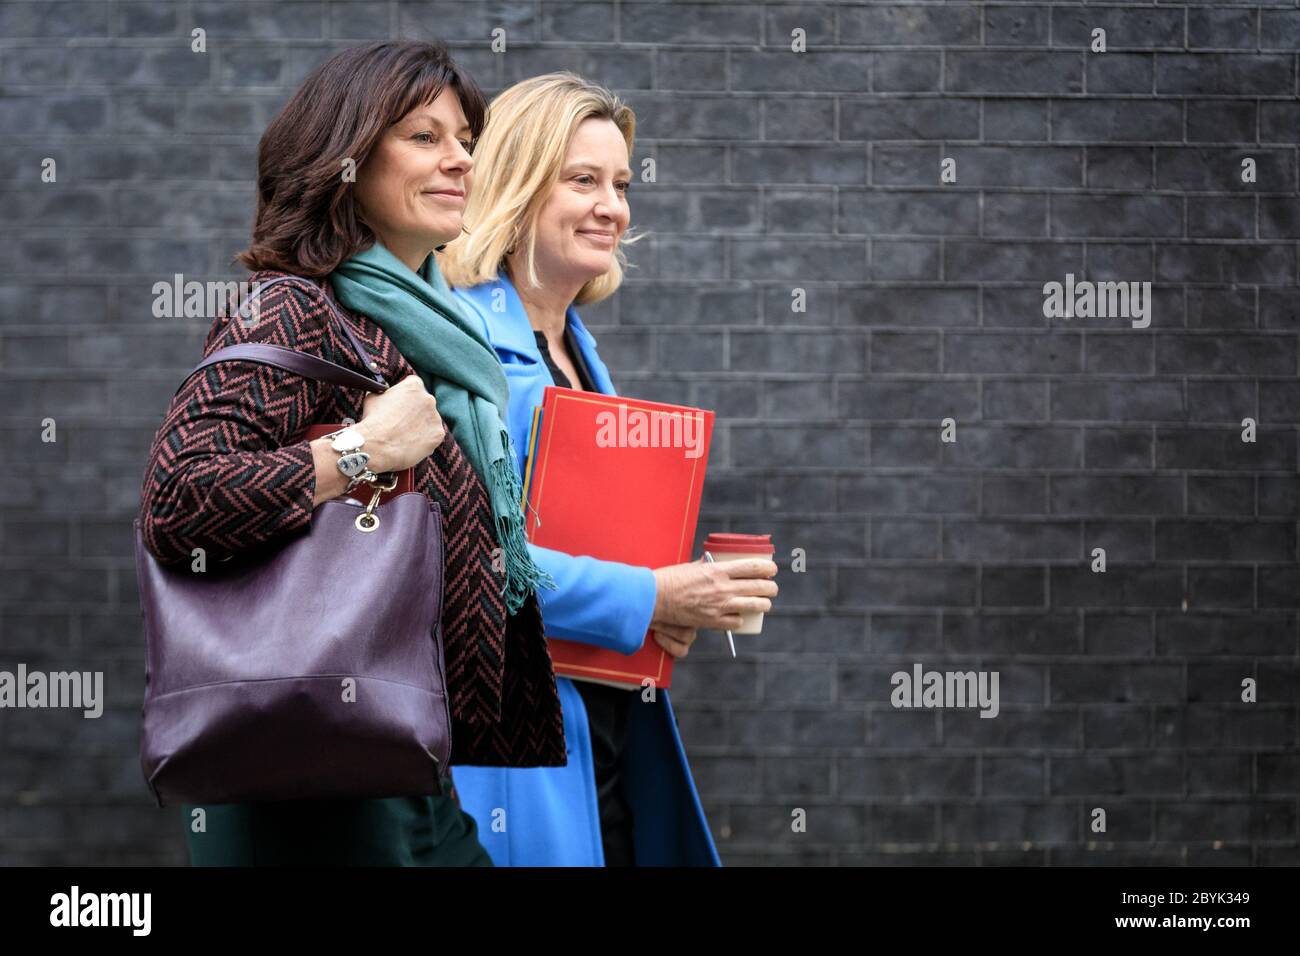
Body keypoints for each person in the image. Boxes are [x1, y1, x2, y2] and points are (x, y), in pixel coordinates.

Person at [137, 40, 565, 866]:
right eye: (425, 137)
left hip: (404, 755)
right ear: (344, 159)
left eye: (466, 140)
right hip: (309, 766)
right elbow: (179, 499)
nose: (461, 160)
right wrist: (362, 450)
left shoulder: (432, 330)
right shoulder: (289, 308)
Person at [440, 72, 779, 866]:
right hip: (521, 737)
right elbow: (471, 563)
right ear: (517, 186)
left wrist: (667, 610)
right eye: (583, 180)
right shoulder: (460, 341)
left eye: (621, 184)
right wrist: (650, 595)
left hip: (610, 724)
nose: (612, 206)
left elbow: (580, 538)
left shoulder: (579, 349)